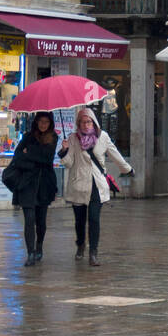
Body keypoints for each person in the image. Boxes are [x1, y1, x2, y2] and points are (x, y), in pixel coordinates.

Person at [58, 107, 133, 267]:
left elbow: (115, 154)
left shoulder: (103, 137)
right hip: (79, 185)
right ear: (78, 124)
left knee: (94, 220)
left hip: (97, 186)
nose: (86, 125)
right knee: (79, 221)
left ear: (94, 122)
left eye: (88, 121)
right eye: (82, 122)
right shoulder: (73, 138)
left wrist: (127, 169)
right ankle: (80, 245)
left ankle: (93, 253)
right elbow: (68, 163)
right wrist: (64, 151)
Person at [11, 111, 58, 267]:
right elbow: (17, 156)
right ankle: (30, 252)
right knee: (29, 220)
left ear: (50, 123)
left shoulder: (53, 137)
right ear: (36, 122)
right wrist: (33, 157)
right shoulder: (28, 136)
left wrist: (29, 152)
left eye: (46, 122)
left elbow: (47, 158)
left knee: (41, 221)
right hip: (27, 184)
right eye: (41, 121)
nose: (43, 124)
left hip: (44, 185)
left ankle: (39, 247)